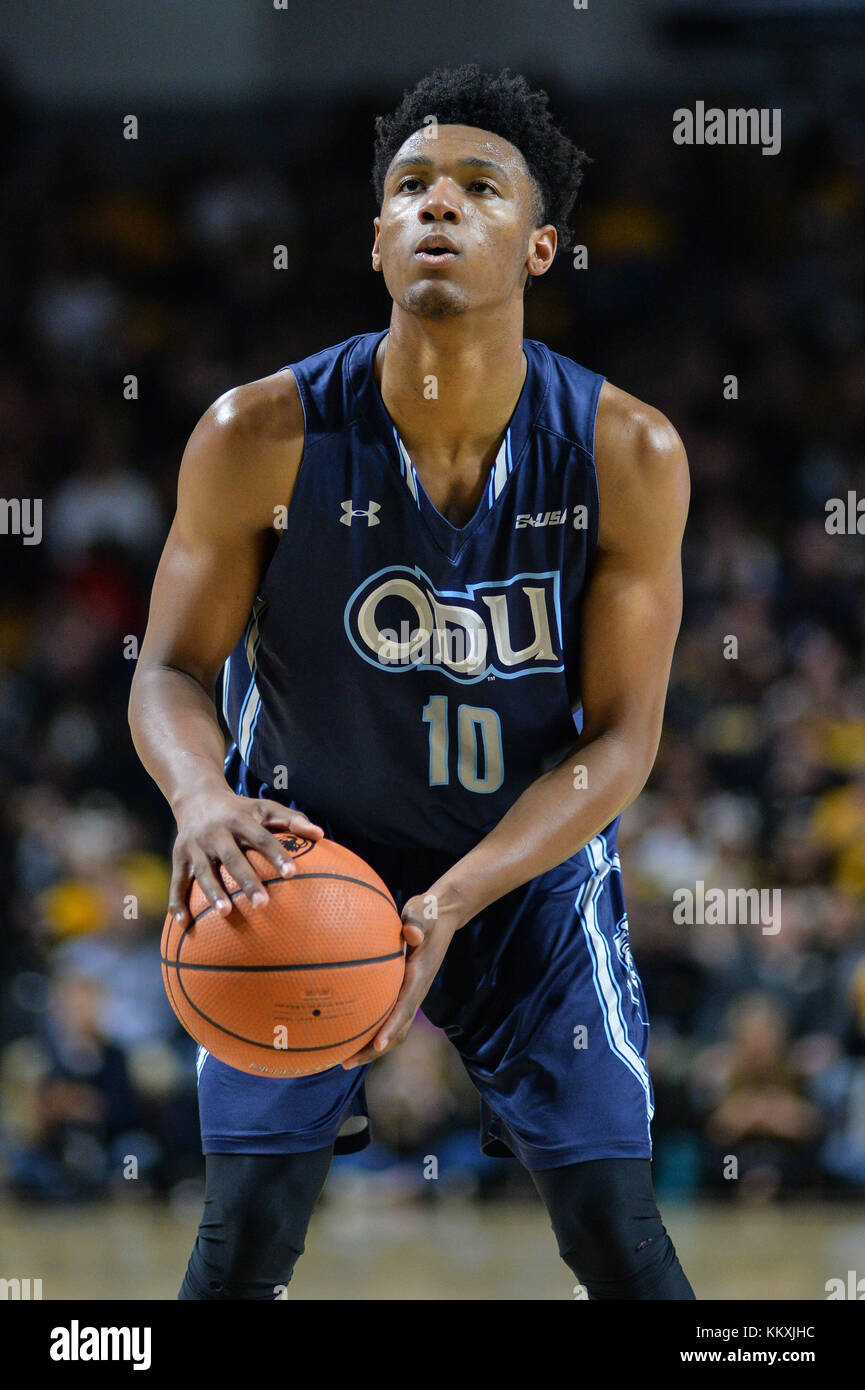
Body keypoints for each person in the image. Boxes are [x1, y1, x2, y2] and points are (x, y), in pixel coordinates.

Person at [128, 64, 693, 1300]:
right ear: (375, 238)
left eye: (478, 186)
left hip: (521, 876)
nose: (438, 204)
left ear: (540, 246)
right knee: (241, 1245)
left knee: (617, 1233)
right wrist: (198, 801)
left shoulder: (626, 450)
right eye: (409, 187)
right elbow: (168, 667)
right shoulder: (257, 435)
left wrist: (453, 899)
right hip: (302, 866)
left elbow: (621, 745)